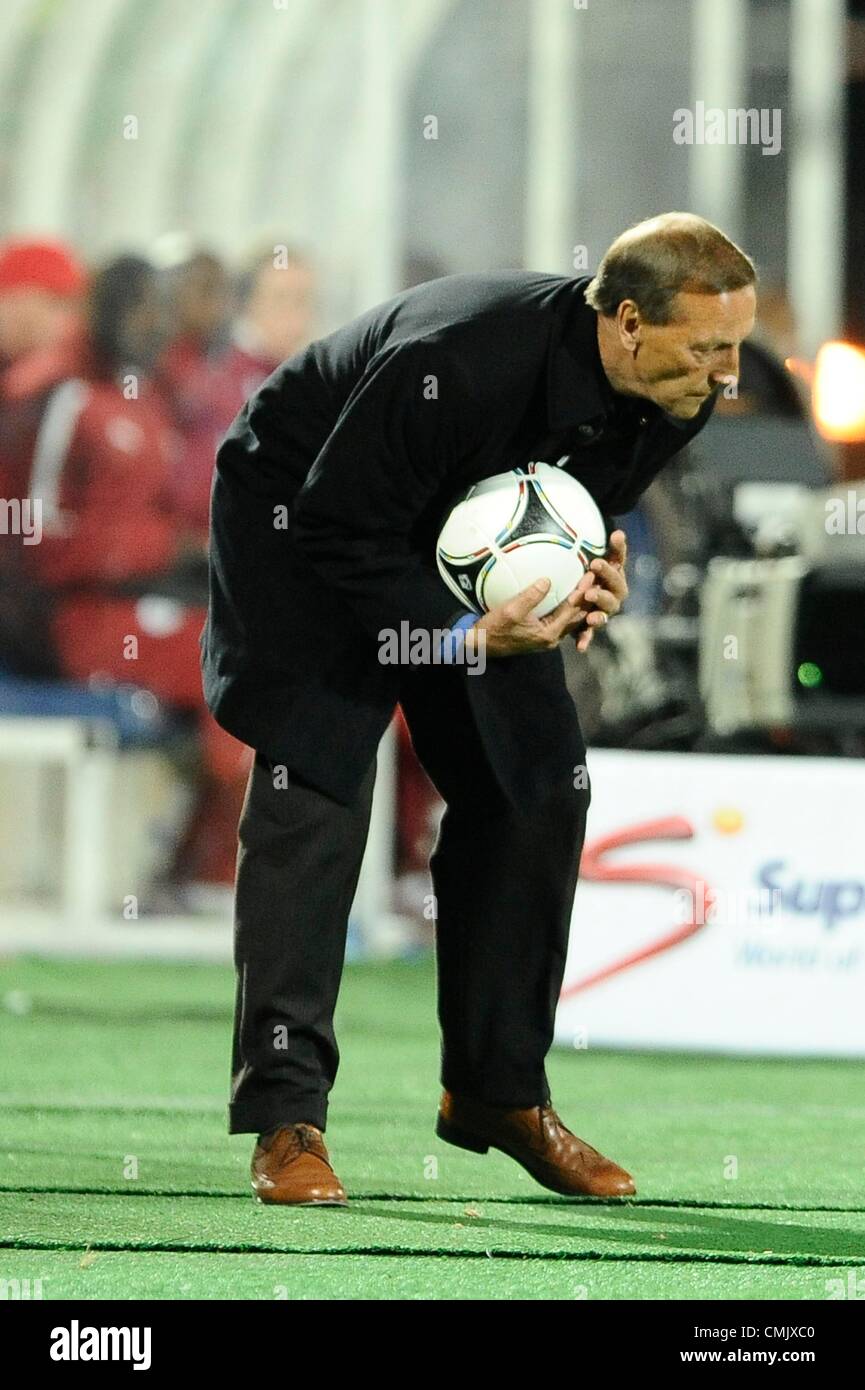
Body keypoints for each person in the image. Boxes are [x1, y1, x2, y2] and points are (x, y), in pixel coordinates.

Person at [203, 211, 757, 1205]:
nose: (726, 374)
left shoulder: (677, 392)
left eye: (735, 346)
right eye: (707, 347)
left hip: (454, 549)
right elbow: (337, 523)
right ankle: (287, 1119)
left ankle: (496, 1093)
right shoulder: (457, 362)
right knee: (316, 781)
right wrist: (453, 639)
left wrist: (594, 576)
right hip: (307, 516)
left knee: (539, 782)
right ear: (627, 322)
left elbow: (573, 505)